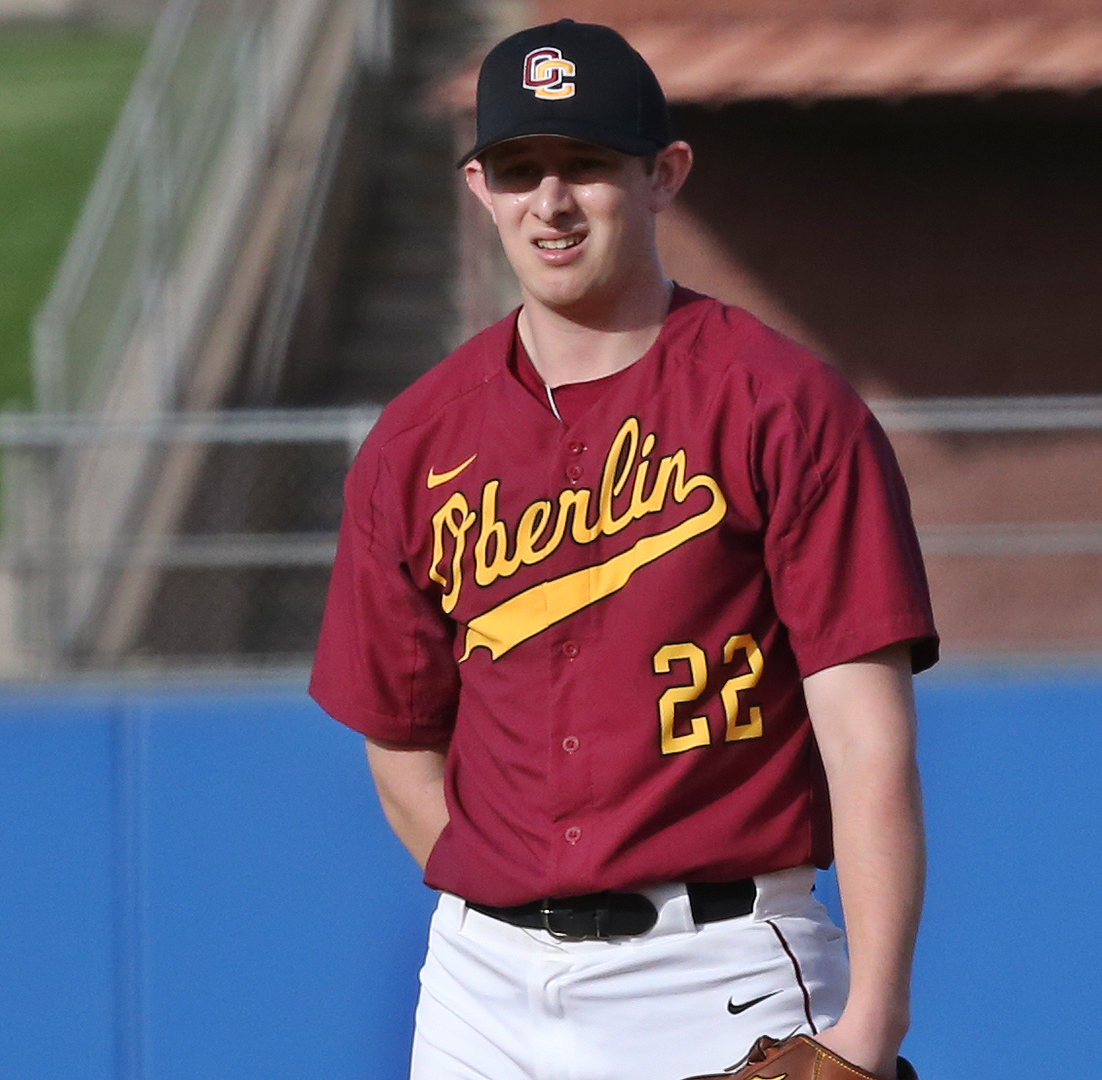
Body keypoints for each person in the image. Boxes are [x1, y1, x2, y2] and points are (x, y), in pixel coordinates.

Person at [310, 18, 937, 1080]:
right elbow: (400, 740)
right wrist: (513, 901)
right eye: (520, 170)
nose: (549, 201)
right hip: (481, 992)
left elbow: (868, 741)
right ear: (480, 187)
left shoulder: (781, 406)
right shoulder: (416, 442)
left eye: (586, 164)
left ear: (663, 175)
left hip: (717, 971)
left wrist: (869, 1031)